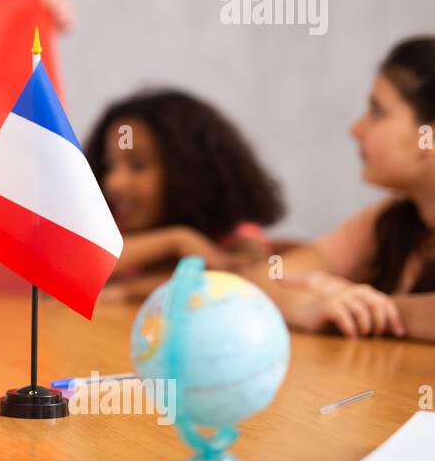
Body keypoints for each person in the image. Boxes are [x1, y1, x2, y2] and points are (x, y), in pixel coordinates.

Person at [248, 36, 435, 347]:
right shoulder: (386, 221)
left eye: (377, 112)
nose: (355, 129)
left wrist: (377, 310)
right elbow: (264, 278)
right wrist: (311, 306)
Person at [84, 88, 285, 302]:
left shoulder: (234, 235)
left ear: (190, 170)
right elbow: (79, 266)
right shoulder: (110, 228)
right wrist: (176, 240)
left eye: (137, 165)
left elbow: (238, 278)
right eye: (109, 166)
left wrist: (127, 291)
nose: (114, 182)